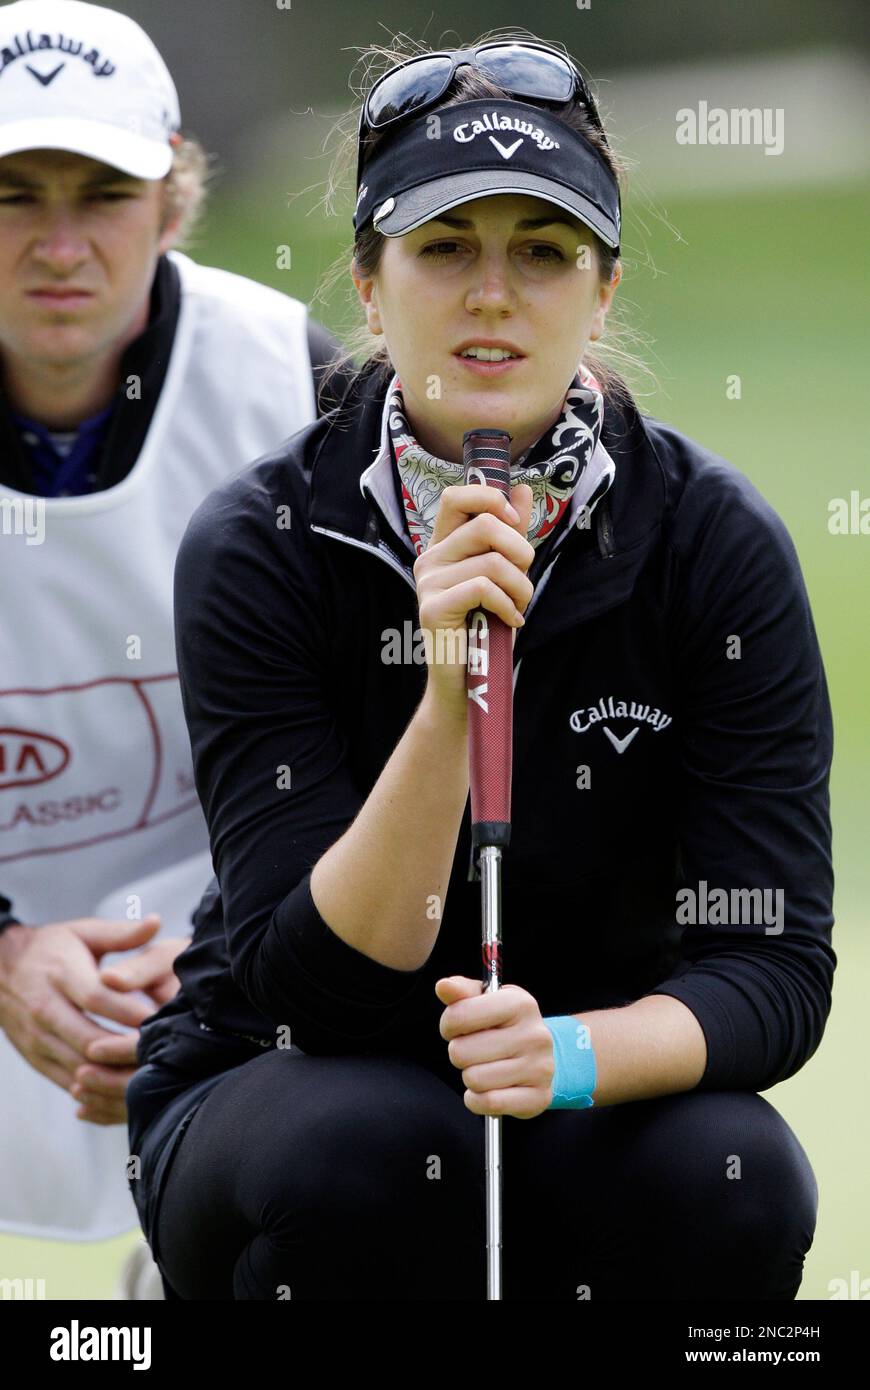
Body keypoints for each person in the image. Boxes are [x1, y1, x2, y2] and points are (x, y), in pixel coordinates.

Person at [126, 30, 835, 1301]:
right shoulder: (261, 542)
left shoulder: (714, 542)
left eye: (545, 252)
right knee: (378, 1151)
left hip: (586, 1082)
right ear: (371, 278)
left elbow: (773, 968)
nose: (494, 294)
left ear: (604, 289)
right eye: (446, 246)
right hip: (282, 1088)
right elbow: (314, 989)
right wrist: (451, 693)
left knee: (739, 1178)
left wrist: (569, 1057)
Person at [0, 0, 352, 1297]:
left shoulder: (288, 382)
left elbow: (375, 738)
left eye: (101, 191)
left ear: (174, 198)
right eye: (11, 192)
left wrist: (213, 957)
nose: (57, 243)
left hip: (242, 945)